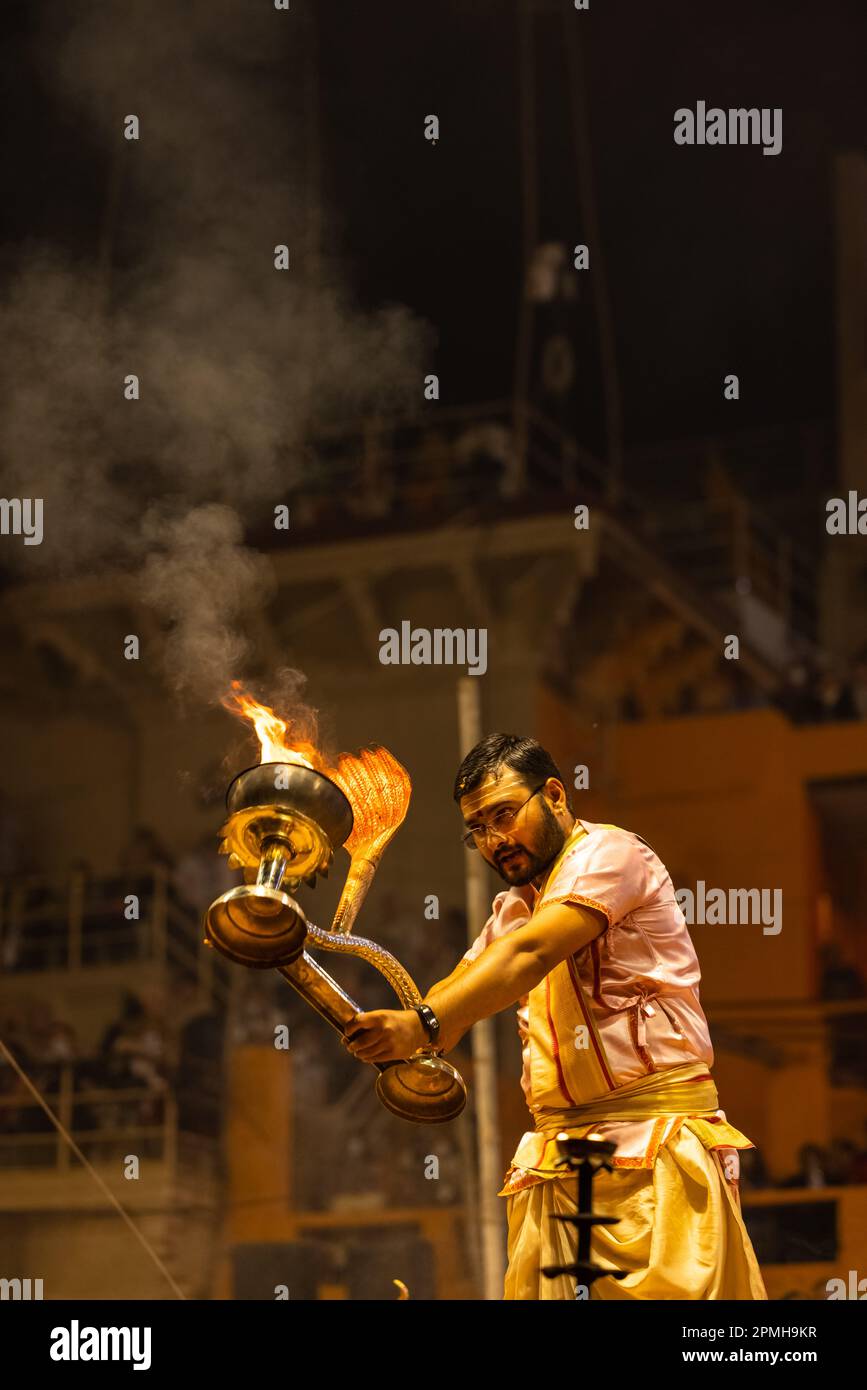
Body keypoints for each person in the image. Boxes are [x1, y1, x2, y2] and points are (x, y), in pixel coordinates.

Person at [344, 733, 767, 1300]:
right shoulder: (516, 906)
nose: (494, 841)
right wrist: (403, 1027)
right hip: (560, 1164)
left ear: (555, 795)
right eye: (478, 830)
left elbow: (528, 956)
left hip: (655, 1152)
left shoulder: (611, 855)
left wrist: (421, 1027)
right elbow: (459, 991)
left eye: (503, 815)